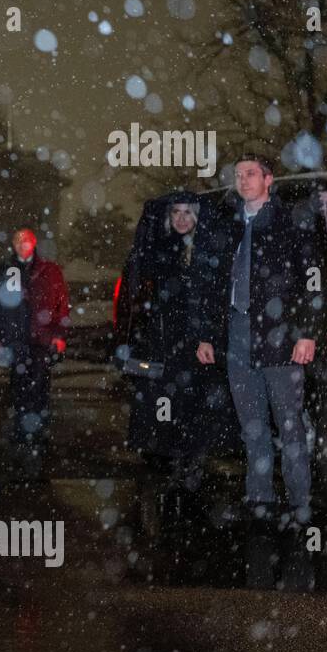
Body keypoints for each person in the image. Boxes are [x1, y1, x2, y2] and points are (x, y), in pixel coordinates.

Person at [194, 155, 323, 525]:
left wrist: (307, 333)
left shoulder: (291, 222)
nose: (243, 180)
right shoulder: (229, 224)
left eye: (251, 173)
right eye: (238, 175)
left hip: (280, 335)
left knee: (290, 424)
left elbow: (312, 280)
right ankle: (259, 501)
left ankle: (301, 504)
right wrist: (207, 335)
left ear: (269, 180)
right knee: (252, 424)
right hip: (237, 335)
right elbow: (213, 282)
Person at [120, 195, 215, 494]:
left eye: (188, 212)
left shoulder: (206, 248)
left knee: (193, 406)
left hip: (197, 341)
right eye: (176, 212)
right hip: (164, 343)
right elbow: (140, 265)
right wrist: (149, 217)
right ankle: (173, 465)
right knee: (165, 406)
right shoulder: (161, 248)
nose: (182, 218)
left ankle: (192, 467)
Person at [0, 229, 70, 455]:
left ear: (34, 243)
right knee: (19, 388)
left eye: (27, 240)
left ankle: (38, 435)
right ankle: (22, 434)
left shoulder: (50, 271)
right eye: (19, 240)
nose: (23, 244)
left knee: (40, 389)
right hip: (15, 339)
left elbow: (62, 305)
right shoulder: (4, 271)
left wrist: (60, 335)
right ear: (13, 244)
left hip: (41, 340)